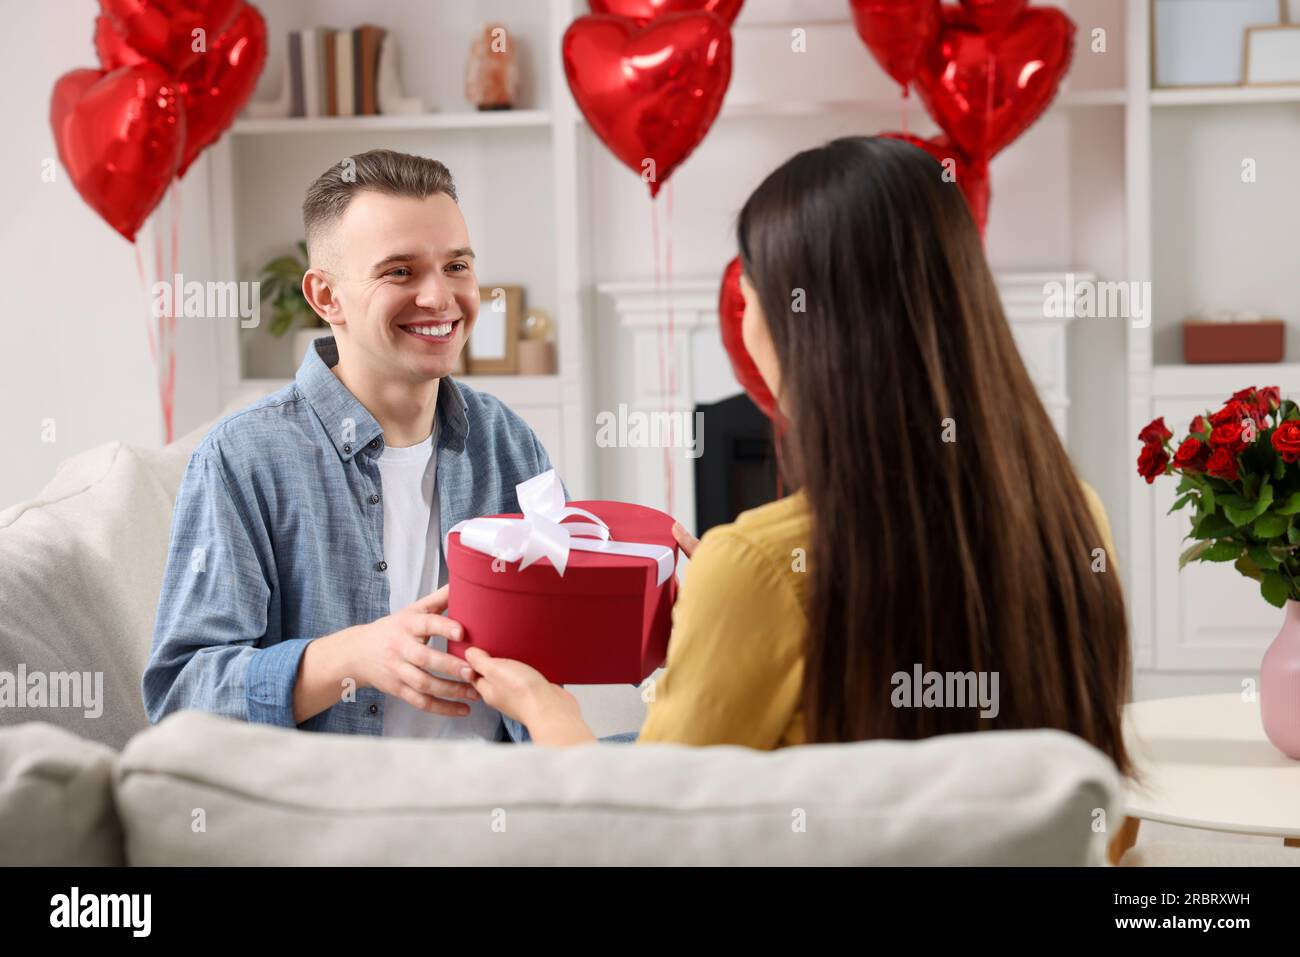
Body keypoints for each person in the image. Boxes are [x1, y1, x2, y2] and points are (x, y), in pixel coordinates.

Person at [465, 135, 1134, 778]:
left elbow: (650, 831)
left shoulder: (757, 564)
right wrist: (717, 628)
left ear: (801, 323)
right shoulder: (1076, 515)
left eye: (749, 287)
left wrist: (546, 716)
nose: (745, 310)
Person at [143, 149, 559, 743]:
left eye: (457, 265)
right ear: (325, 297)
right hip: (342, 814)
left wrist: (667, 602)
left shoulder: (507, 442)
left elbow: (557, 629)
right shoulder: (245, 459)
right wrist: (352, 656)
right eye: (400, 272)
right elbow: (182, 697)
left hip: (502, 797)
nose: (441, 298)